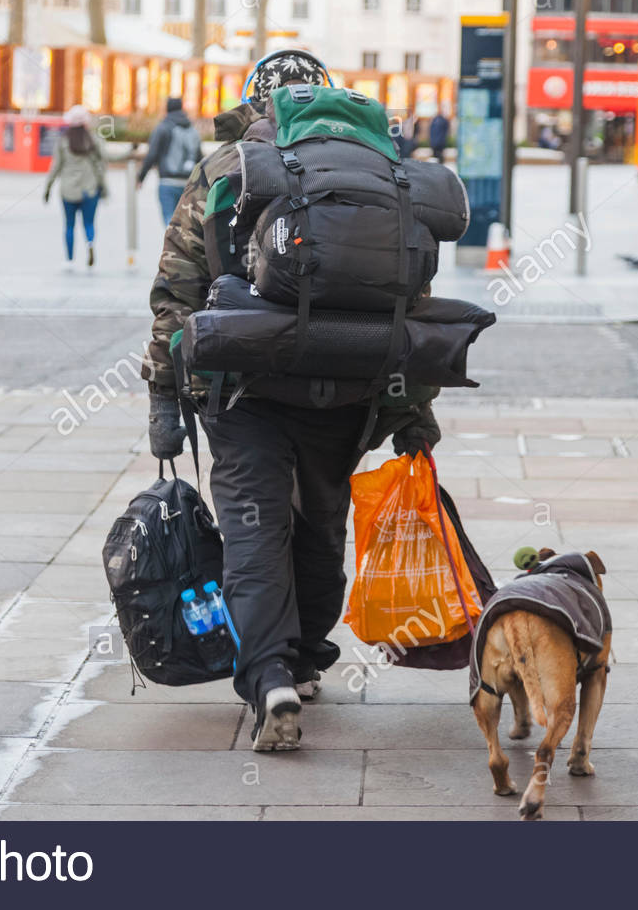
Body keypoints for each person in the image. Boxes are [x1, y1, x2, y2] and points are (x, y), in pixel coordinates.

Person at [142, 49, 440, 751]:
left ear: (254, 101)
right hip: (347, 383)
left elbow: (176, 292)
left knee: (253, 529)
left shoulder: (226, 167)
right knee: (319, 523)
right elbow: (409, 298)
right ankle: (305, 656)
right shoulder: (378, 169)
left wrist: (163, 395)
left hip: (242, 386)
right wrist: (413, 412)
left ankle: (269, 672)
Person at [44, 105, 108, 271]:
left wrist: (48, 188)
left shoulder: (63, 141)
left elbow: (55, 167)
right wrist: (103, 186)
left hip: (68, 190)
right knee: (89, 223)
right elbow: (102, 162)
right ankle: (90, 243)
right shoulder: (93, 141)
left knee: (69, 225)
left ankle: (69, 260)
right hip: (90, 188)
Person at [137, 97, 201, 225]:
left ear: (167, 108)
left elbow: (152, 154)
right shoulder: (191, 129)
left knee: (170, 221)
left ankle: (173, 244)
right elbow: (198, 156)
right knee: (186, 223)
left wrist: (140, 177)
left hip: (168, 182)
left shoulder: (163, 127)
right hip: (189, 183)